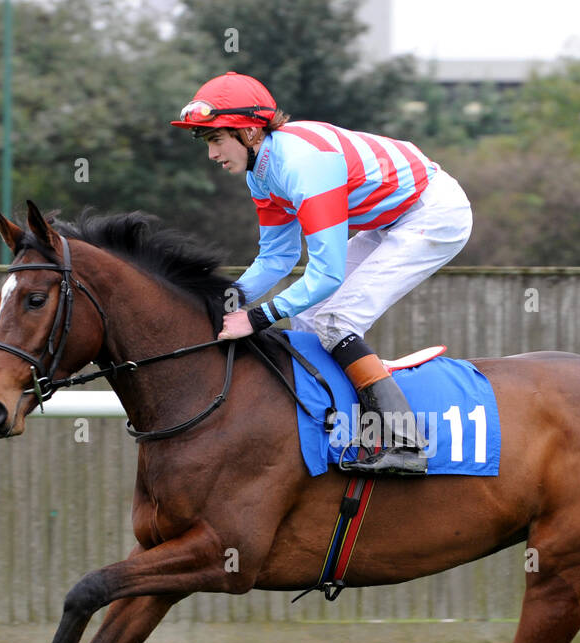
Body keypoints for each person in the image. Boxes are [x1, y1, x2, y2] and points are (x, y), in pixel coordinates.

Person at [172, 71, 473, 476]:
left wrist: (257, 317)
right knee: (309, 319)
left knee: (336, 318)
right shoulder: (261, 172)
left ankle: (406, 444)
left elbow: (326, 275)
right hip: (392, 218)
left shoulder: (303, 165)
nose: (211, 154)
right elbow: (277, 258)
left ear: (247, 131)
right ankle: (338, 425)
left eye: (215, 140)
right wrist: (222, 301)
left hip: (434, 213)